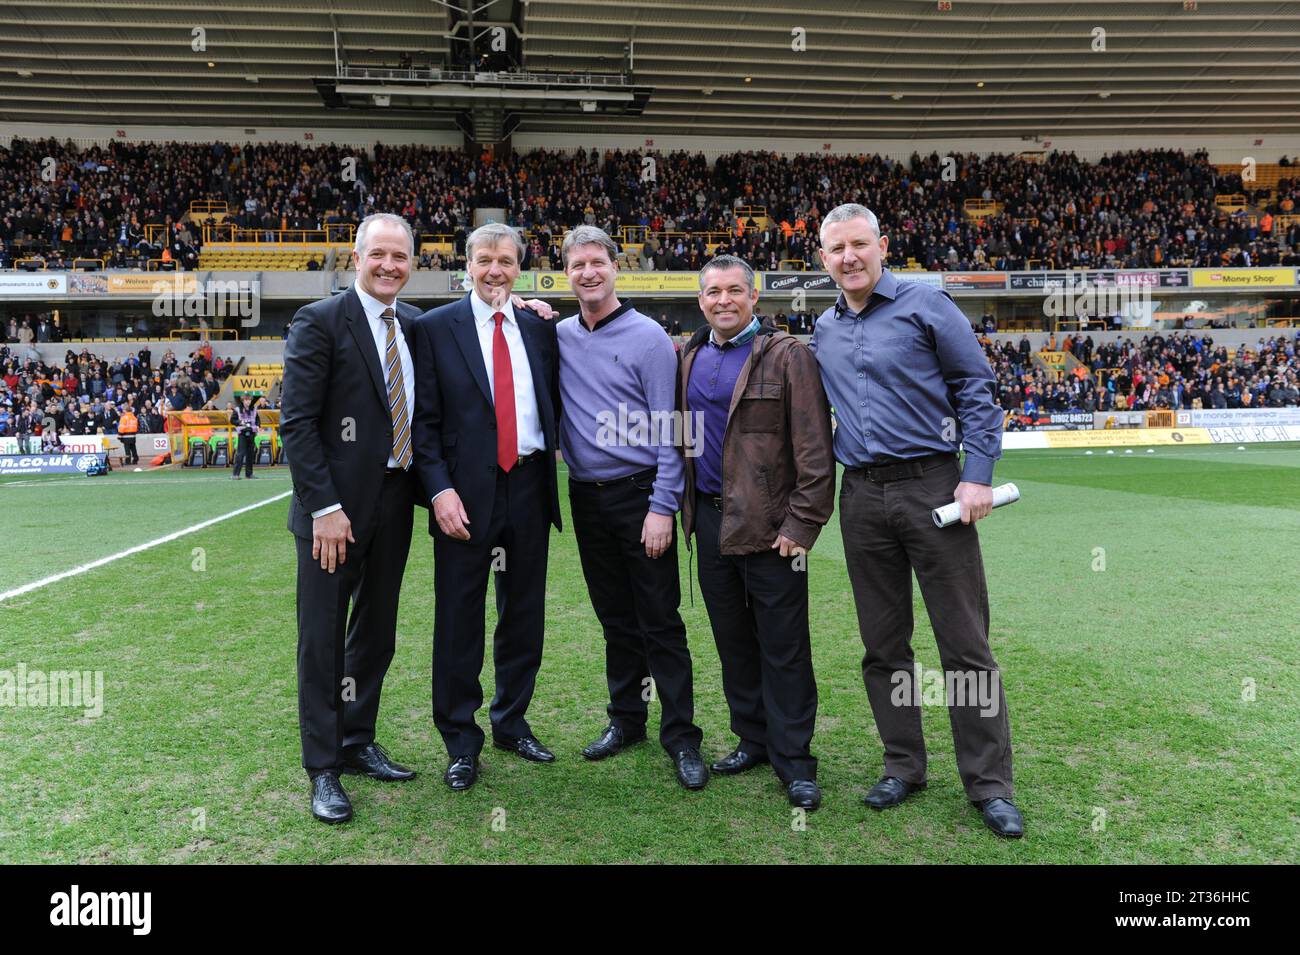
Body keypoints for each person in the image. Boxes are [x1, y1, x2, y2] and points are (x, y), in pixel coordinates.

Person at [810, 203, 1023, 838]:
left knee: (964, 643)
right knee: (882, 644)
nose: (848, 257)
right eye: (835, 249)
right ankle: (904, 765)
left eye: (858, 245)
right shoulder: (821, 327)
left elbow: (975, 389)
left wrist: (977, 473)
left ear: (881, 245)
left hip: (936, 485)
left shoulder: (927, 305)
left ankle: (989, 784)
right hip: (861, 496)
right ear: (822, 259)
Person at [279, 213, 426, 825]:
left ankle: (358, 739)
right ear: (357, 256)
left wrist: (523, 305)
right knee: (322, 639)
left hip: (394, 501)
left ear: (413, 262)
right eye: (379, 255)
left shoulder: (416, 324)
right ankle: (323, 768)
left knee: (375, 632)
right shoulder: (319, 321)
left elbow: (478, 325)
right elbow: (297, 424)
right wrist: (326, 509)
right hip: (333, 513)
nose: (390, 266)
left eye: (401, 256)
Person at [678, 255, 834, 809]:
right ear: (701, 300)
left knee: (784, 647)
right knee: (733, 642)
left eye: (733, 291)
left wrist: (803, 522)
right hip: (711, 519)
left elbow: (816, 448)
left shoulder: (789, 356)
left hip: (774, 528)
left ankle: (795, 761)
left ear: (754, 296)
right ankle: (753, 739)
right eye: (713, 292)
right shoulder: (690, 354)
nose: (723, 300)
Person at [555, 226, 707, 790]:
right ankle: (627, 720)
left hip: (642, 493)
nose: (588, 273)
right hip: (586, 497)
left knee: (660, 621)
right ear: (565, 273)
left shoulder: (647, 337)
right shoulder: (561, 334)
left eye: (597, 262)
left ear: (615, 266)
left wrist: (662, 507)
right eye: (577, 265)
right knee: (615, 621)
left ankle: (683, 736)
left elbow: (672, 432)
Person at [411, 222, 562, 792]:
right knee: (458, 620)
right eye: (484, 260)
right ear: (466, 265)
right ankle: (460, 740)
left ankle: (511, 721)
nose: (494, 270)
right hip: (461, 496)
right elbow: (422, 425)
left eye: (505, 261)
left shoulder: (538, 326)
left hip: (526, 486)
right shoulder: (433, 328)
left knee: (523, 614)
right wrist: (438, 490)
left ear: (518, 268)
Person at [229, 393, 260, 479]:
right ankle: (235, 474)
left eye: (249, 400)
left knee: (250, 454)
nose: (248, 402)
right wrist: (240, 422)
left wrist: (258, 425)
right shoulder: (237, 409)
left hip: (252, 433)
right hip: (242, 433)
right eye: (246, 400)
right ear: (243, 400)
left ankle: (249, 474)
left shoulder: (254, 409)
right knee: (240, 454)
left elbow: (257, 419)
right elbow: (232, 420)